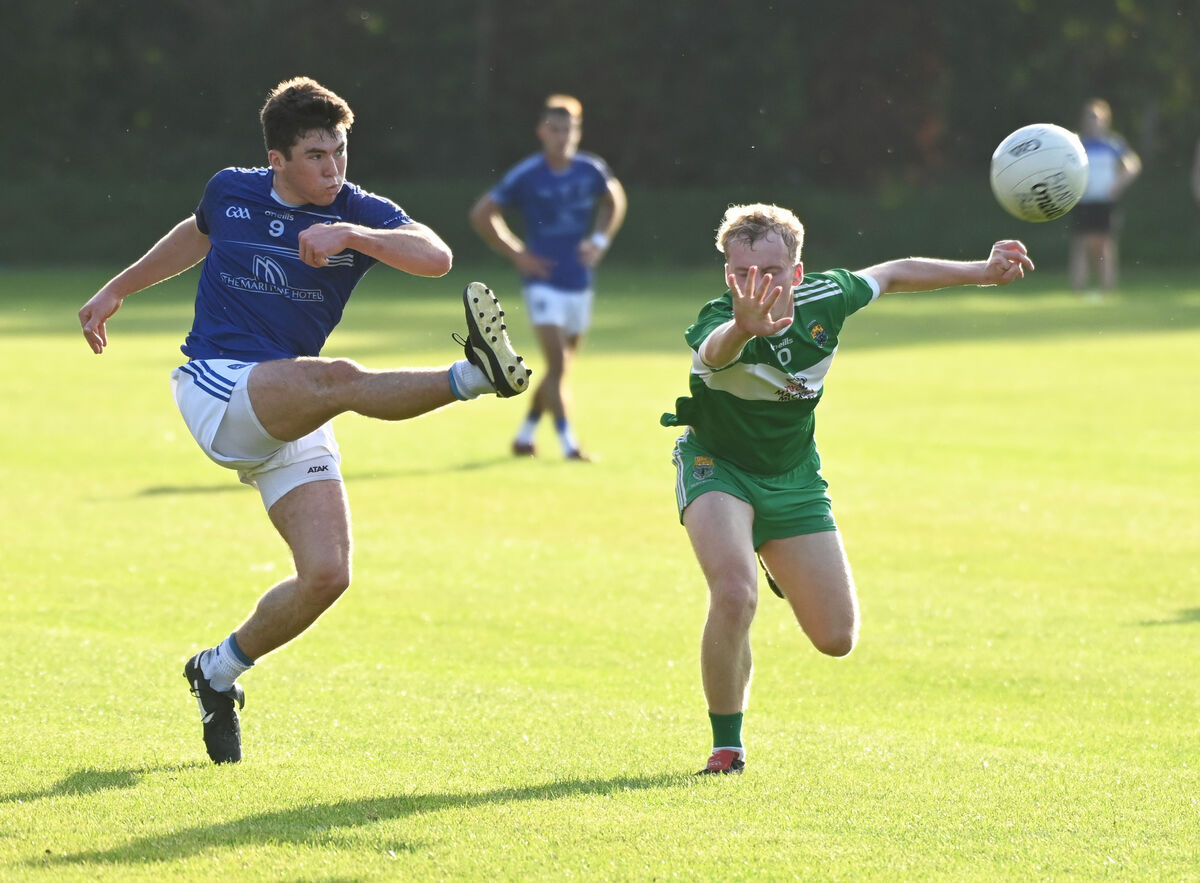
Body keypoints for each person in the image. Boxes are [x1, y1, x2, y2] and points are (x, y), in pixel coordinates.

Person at [77, 76, 531, 764]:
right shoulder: (231, 190)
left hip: (292, 399)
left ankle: (217, 670)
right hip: (220, 386)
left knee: (326, 576)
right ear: (277, 159)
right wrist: (117, 287)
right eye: (316, 155)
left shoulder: (354, 208)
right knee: (337, 377)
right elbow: (197, 234)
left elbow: (436, 257)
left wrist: (354, 233)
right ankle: (475, 376)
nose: (333, 168)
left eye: (340, 151)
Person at [661, 204, 1034, 775]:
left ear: (798, 273)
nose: (756, 285)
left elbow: (893, 273)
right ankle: (727, 747)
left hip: (793, 475)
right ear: (727, 275)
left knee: (837, 638)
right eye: (741, 274)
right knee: (734, 593)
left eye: (772, 272)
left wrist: (980, 272)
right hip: (718, 466)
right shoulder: (719, 321)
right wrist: (742, 326)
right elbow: (715, 352)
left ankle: (770, 549)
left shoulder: (827, 298)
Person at [469, 94, 627, 461]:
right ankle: (570, 445)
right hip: (542, 283)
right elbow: (482, 213)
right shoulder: (527, 174)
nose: (562, 136)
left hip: (579, 280)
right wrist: (517, 253)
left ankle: (525, 436)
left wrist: (600, 241)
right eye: (555, 129)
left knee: (561, 367)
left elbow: (615, 200)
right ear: (542, 131)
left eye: (569, 129)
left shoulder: (590, 170)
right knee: (558, 365)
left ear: (578, 131)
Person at [1069, 98, 1141, 295]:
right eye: (1090, 118)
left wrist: (1117, 186)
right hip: (1083, 200)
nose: (1094, 122)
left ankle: (1107, 290)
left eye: (1097, 118)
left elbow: (1132, 165)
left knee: (1105, 245)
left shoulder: (1113, 144)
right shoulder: (1077, 143)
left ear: (1106, 120)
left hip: (1105, 201)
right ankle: (1078, 290)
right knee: (1081, 244)